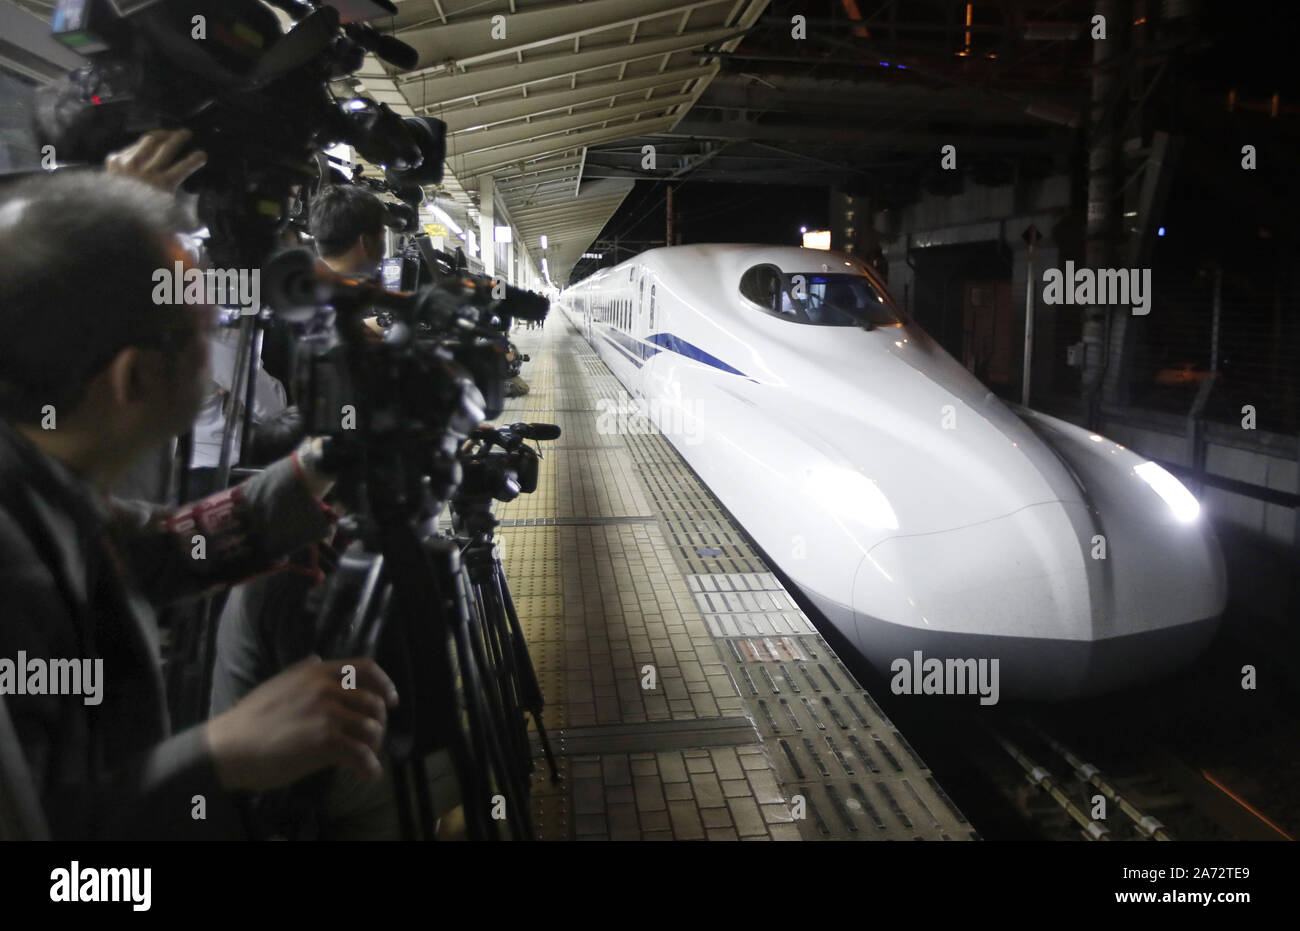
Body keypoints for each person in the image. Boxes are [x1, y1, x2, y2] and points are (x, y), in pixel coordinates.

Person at [0, 161, 397, 840]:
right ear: (136, 376)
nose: (220, 347)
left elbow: (163, 547)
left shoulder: (40, 490)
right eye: (203, 332)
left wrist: (326, 459)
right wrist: (218, 753)